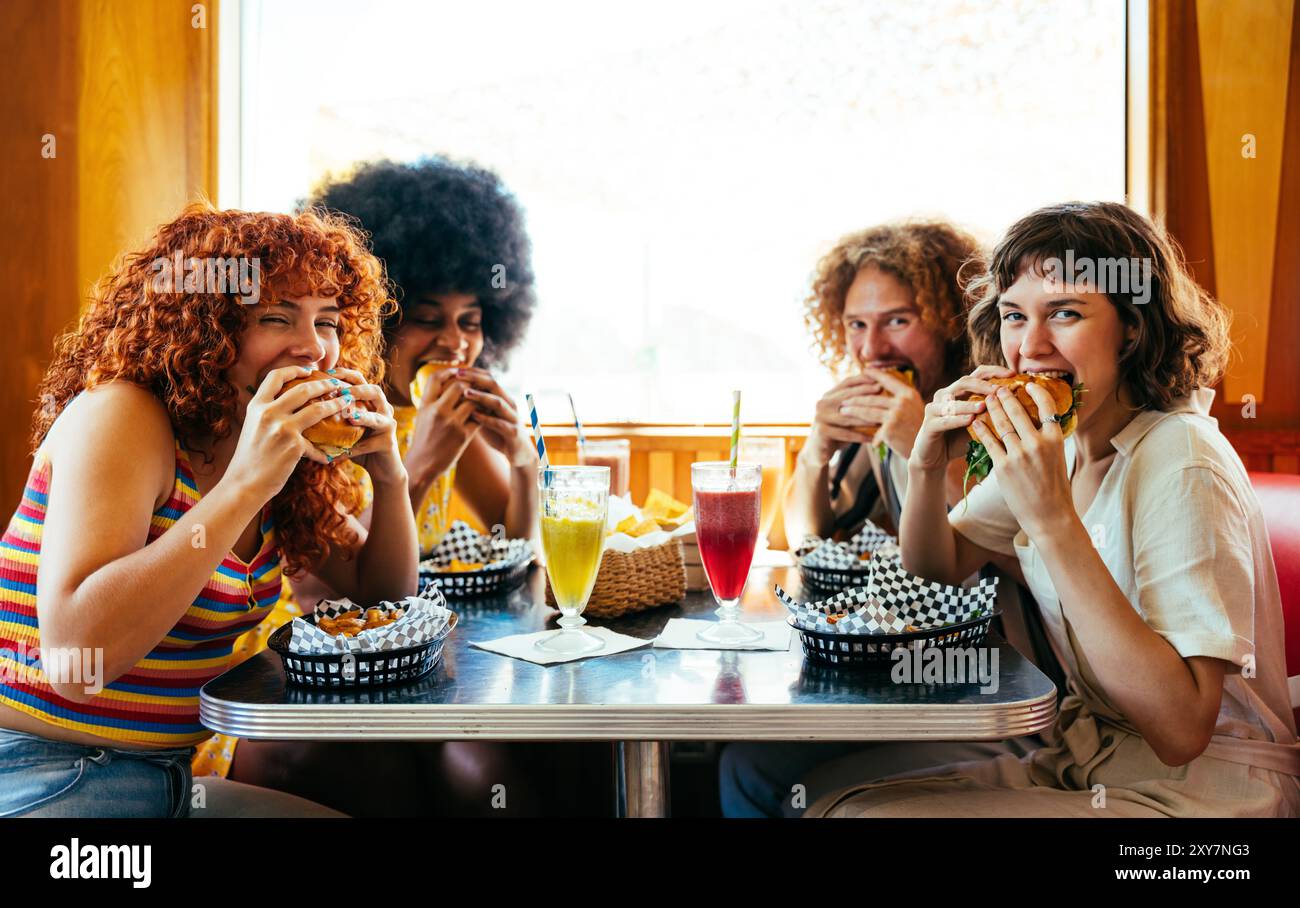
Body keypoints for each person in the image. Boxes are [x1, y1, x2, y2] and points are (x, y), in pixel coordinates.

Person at [805, 201, 1300, 817]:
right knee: (831, 802)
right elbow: (938, 564)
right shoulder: (1057, 445)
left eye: (1065, 313)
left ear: (1133, 328)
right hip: (1085, 759)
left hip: (1204, 797)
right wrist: (927, 465)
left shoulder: (1182, 458)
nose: (1031, 346)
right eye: (1014, 316)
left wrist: (1053, 522)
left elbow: (1180, 733)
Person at [216, 157, 611, 817]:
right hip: (320, 682)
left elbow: (514, 549)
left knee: (537, 755)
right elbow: (333, 595)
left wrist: (519, 460)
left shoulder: (453, 417)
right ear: (383, 322)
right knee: (467, 768)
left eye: (471, 321)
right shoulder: (332, 415)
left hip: (428, 665)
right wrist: (415, 464)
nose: (454, 343)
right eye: (430, 319)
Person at [0, 202, 418, 817]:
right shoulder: (124, 415)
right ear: (205, 328)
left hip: (170, 779)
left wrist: (389, 475)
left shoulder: (276, 456)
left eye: (327, 321)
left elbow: (380, 601)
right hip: (43, 773)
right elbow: (72, 661)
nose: (314, 349)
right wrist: (245, 485)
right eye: (277, 318)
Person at [783, 220, 982, 544]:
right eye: (857, 324)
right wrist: (815, 452)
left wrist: (925, 447)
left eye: (897, 321)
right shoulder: (879, 419)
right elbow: (802, 540)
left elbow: (1013, 541)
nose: (872, 348)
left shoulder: (992, 402)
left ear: (949, 318)